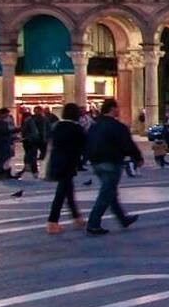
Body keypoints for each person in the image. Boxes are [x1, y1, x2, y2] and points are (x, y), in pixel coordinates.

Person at [83, 100, 143, 235]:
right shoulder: (117, 126)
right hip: (111, 161)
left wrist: (87, 158)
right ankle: (93, 223)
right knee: (106, 193)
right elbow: (127, 144)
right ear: (112, 109)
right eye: (117, 108)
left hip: (96, 162)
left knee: (110, 191)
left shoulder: (94, 125)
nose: (118, 110)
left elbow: (87, 142)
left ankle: (123, 219)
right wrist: (137, 157)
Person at [44, 104, 87, 234]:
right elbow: (84, 145)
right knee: (62, 193)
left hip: (56, 161)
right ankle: (52, 221)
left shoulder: (57, 126)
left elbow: (49, 141)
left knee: (68, 191)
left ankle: (77, 217)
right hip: (69, 163)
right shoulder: (76, 128)